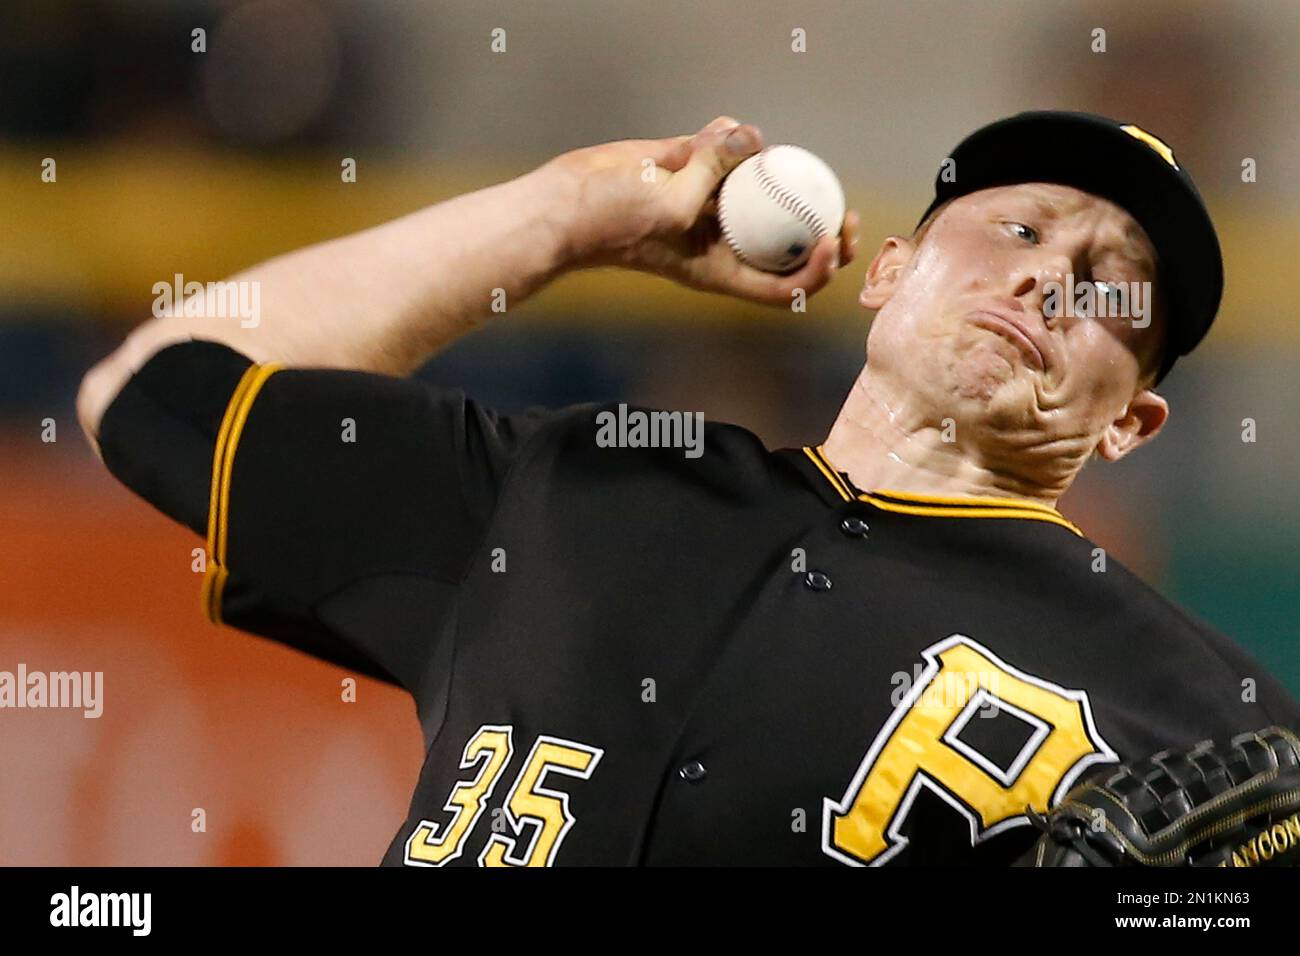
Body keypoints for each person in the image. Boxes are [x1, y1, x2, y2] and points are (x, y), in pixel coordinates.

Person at [78, 111, 1299, 866]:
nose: (1048, 283)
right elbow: (151, 393)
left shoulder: (1211, 724)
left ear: (1130, 422)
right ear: (888, 272)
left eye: (1107, 286)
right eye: (1020, 232)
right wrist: (562, 219)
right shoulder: (580, 489)